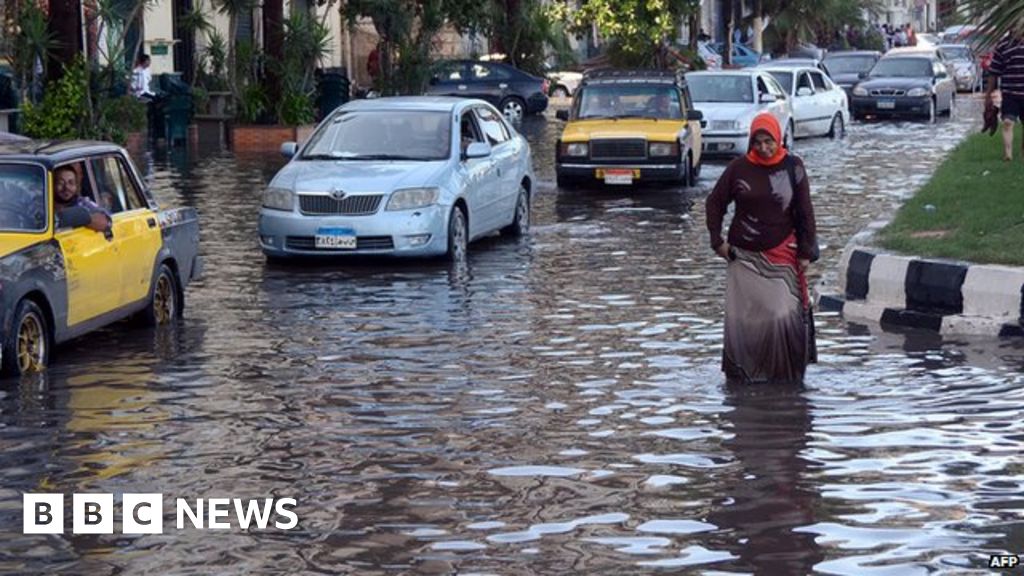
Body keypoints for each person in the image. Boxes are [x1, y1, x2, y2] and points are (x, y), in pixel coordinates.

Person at [705, 112, 818, 385]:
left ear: (778, 139)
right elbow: (714, 203)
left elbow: (805, 212)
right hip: (743, 258)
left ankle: (784, 377)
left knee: (781, 314)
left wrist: (805, 252)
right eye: (758, 142)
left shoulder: (794, 167)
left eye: (769, 141)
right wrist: (717, 242)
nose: (764, 148)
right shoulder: (738, 169)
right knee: (747, 318)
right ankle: (747, 376)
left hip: (782, 255)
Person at [985, 33, 1024, 161]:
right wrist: (988, 95)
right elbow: (994, 72)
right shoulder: (1003, 44)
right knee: (1007, 122)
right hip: (1010, 93)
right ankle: (1008, 153)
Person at [54, 165, 112, 232]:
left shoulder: (83, 203)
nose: (66, 187)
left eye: (71, 183)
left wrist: (79, 218)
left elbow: (106, 222)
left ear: (76, 185)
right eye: (60, 183)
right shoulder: (44, 207)